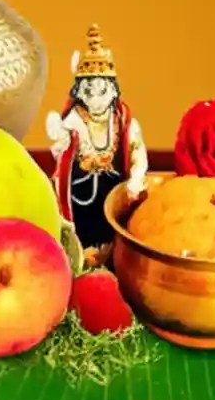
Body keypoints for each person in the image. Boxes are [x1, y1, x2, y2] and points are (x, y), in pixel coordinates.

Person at [46, 24, 149, 267]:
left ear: (112, 91)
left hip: (113, 188)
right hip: (80, 192)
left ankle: (113, 259)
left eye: (101, 90)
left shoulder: (123, 121)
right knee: (82, 228)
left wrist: (136, 179)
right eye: (89, 90)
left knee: (113, 228)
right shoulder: (73, 119)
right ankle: (82, 258)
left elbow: (138, 153)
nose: (95, 97)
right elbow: (61, 152)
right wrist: (60, 136)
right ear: (80, 92)